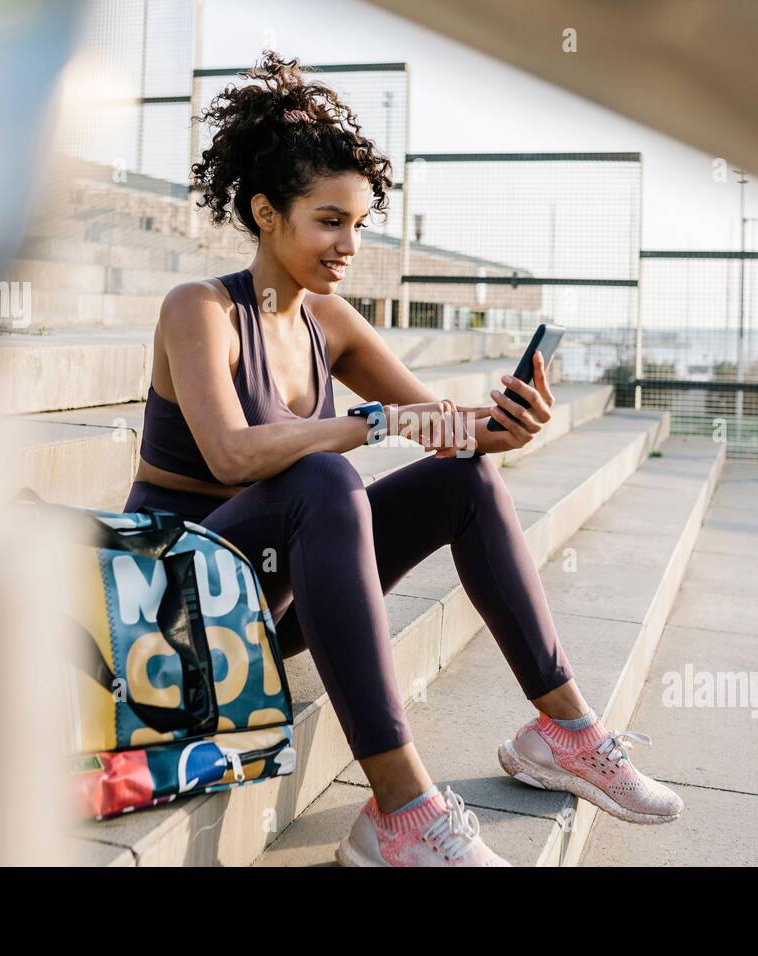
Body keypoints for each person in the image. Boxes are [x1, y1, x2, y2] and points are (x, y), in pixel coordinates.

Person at [123, 50, 682, 867]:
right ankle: (402, 811)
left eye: (359, 222)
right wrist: (367, 424)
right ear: (266, 213)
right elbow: (233, 453)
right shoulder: (201, 310)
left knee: (465, 478)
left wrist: (507, 426)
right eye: (329, 220)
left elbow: (441, 427)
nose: (351, 243)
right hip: (178, 610)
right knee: (323, 475)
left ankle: (563, 729)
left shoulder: (332, 322)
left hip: (270, 606)